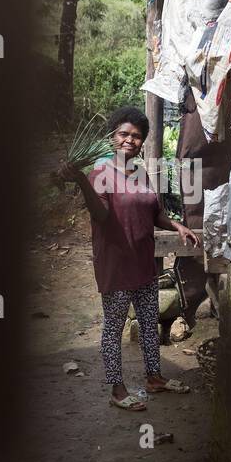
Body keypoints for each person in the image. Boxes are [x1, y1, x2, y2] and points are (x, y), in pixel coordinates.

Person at [61, 107, 200, 411]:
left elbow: (154, 212)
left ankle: (154, 378)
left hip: (143, 264)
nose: (130, 140)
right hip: (116, 265)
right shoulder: (100, 174)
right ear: (113, 137)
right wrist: (82, 182)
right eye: (124, 134)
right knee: (114, 328)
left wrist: (175, 224)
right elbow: (100, 215)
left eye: (136, 136)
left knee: (149, 323)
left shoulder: (140, 173)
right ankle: (117, 390)